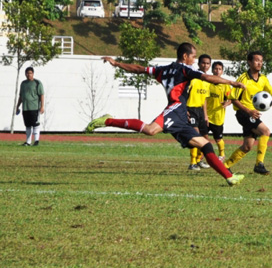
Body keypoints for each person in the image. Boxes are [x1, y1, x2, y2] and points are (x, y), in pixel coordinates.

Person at [84, 42, 246, 186]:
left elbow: (139, 69)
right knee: (150, 130)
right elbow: (208, 78)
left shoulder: (162, 70)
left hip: (182, 115)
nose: (194, 61)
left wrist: (118, 63)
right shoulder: (185, 69)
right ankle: (108, 121)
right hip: (175, 110)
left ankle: (229, 177)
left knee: (205, 145)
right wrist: (232, 82)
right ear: (185, 56)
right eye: (193, 57)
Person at [225, 51, 272, 175]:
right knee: (265, 131)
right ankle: (259, 164)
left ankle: (225, 166)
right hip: (243, 113)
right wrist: (248, 111)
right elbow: (233, 99)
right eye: (256, 60)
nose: (259, 63)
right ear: (249, 62)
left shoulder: (263, 79)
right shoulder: (243, 79)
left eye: (261, 60)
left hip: (252, 114)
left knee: (247, 146)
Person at [185, 54, 212, 170]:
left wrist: (205, 115)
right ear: (199, 64)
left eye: (207, 63)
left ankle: (199, 160)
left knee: (205, 138)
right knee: (195, 136)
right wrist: (185, 109)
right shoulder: (194, 78)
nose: (205, 65)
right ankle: (192, 163)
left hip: (201, 112)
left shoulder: (207, 80)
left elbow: (204, 99)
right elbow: (184, 94)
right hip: (191, 109)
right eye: (203, 63)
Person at [206, 60, 233, 162]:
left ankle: (221, 154)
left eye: (220, 69)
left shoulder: (225, 84)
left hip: (218, 117)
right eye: (216, 69)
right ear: (212, 70)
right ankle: (199, 158)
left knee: (218, 139)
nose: (217, 71)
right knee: (202, 137)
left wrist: (227, 103)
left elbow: (231, 98)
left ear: (222, 71)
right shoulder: (207, 82)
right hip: (206, 115)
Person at [16, 67, 45, 146]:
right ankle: (28, 142)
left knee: (35, 124)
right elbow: (21, 96)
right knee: (27, 125)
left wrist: (42, 106)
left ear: (33, 74)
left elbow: (41, 95)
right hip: (25, 108)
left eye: (30, 73)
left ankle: (36, 141)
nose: (29, 75)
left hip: (34, 108)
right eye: (27, 73)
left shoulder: (37, 83)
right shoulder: (23, 83)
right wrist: (17, 106)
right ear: (25, 74)